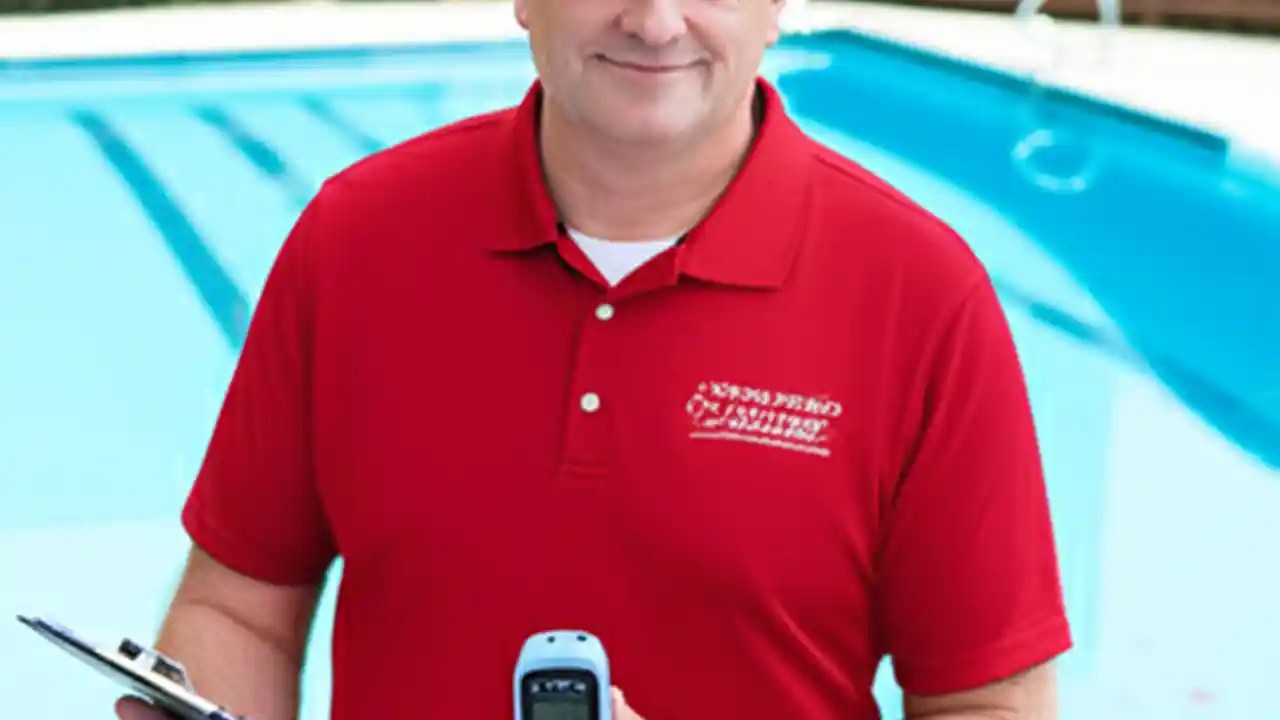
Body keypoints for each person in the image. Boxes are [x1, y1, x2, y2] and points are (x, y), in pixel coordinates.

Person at [117, 0, 1072, 718]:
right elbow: (241, 608)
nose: (655, 23)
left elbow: (986, 702)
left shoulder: (919, 293)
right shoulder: (357, 241)